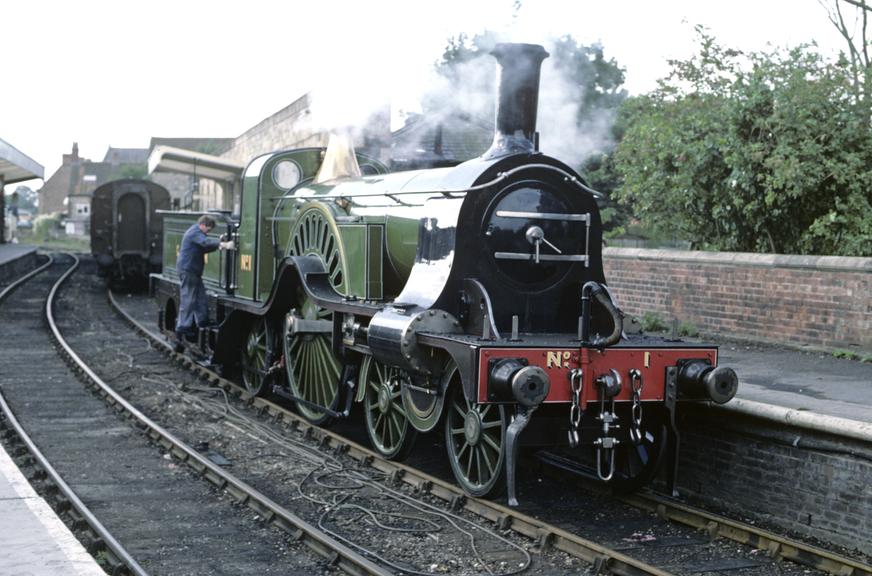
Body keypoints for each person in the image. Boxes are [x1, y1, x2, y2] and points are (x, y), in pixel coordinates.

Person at [175, 214, 234, 341]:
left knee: (200, 297)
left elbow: (204, 247)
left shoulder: (196, 232)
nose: (208, 232)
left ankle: (202, 321)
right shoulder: (194, 232)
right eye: (208, 229)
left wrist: (219, 245)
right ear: (203, 225)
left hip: (193, 271)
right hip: (188, 270)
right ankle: (183, 327)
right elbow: (205, 242)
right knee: (188, 298)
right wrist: (224, 245)